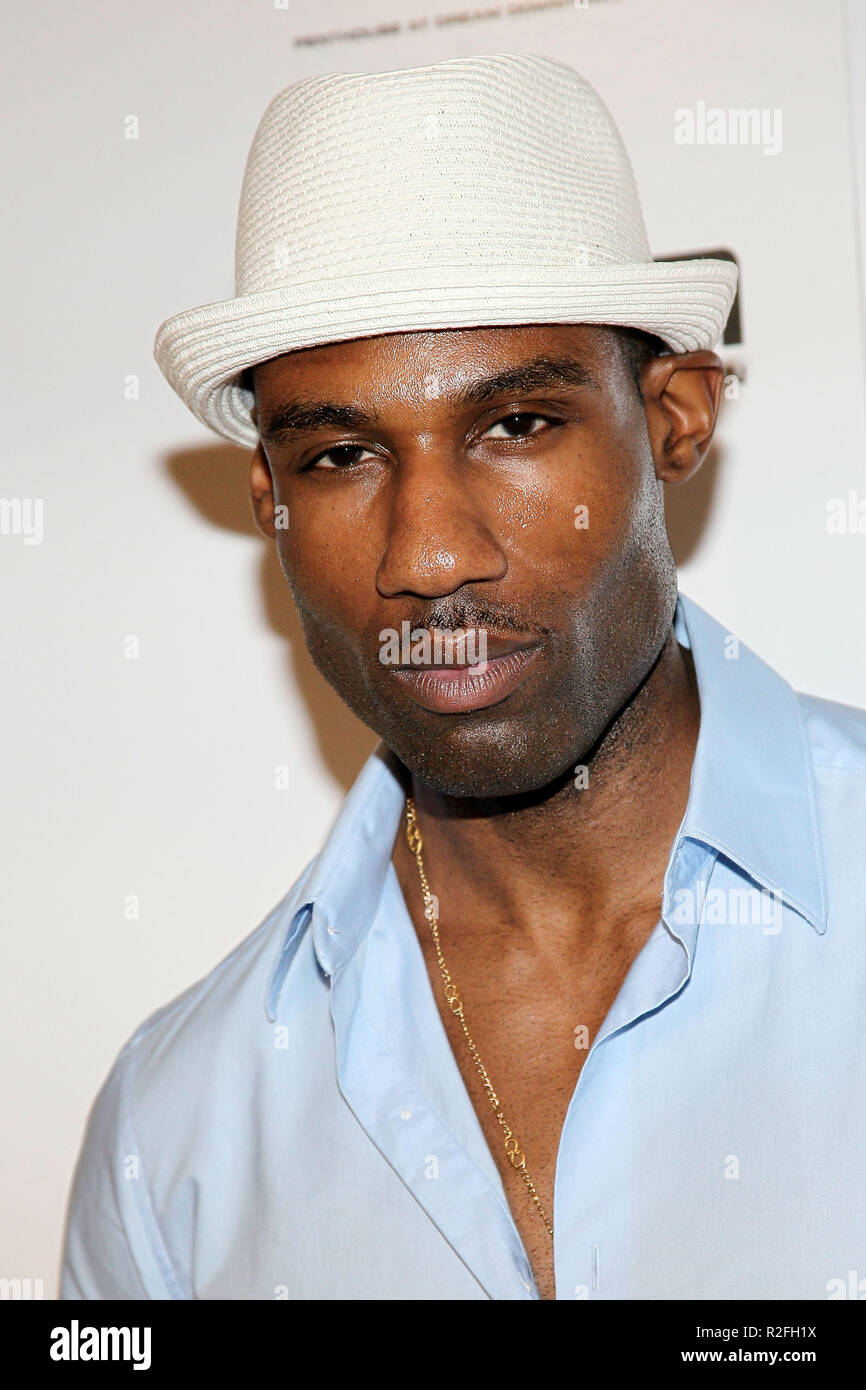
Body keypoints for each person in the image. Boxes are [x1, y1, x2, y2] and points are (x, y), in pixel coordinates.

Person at [61, 53, 866, 1302]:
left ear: (675, 419)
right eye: (338, 455)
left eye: (516, 425)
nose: (428, 554)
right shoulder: (170, 1140)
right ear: (268, 500)